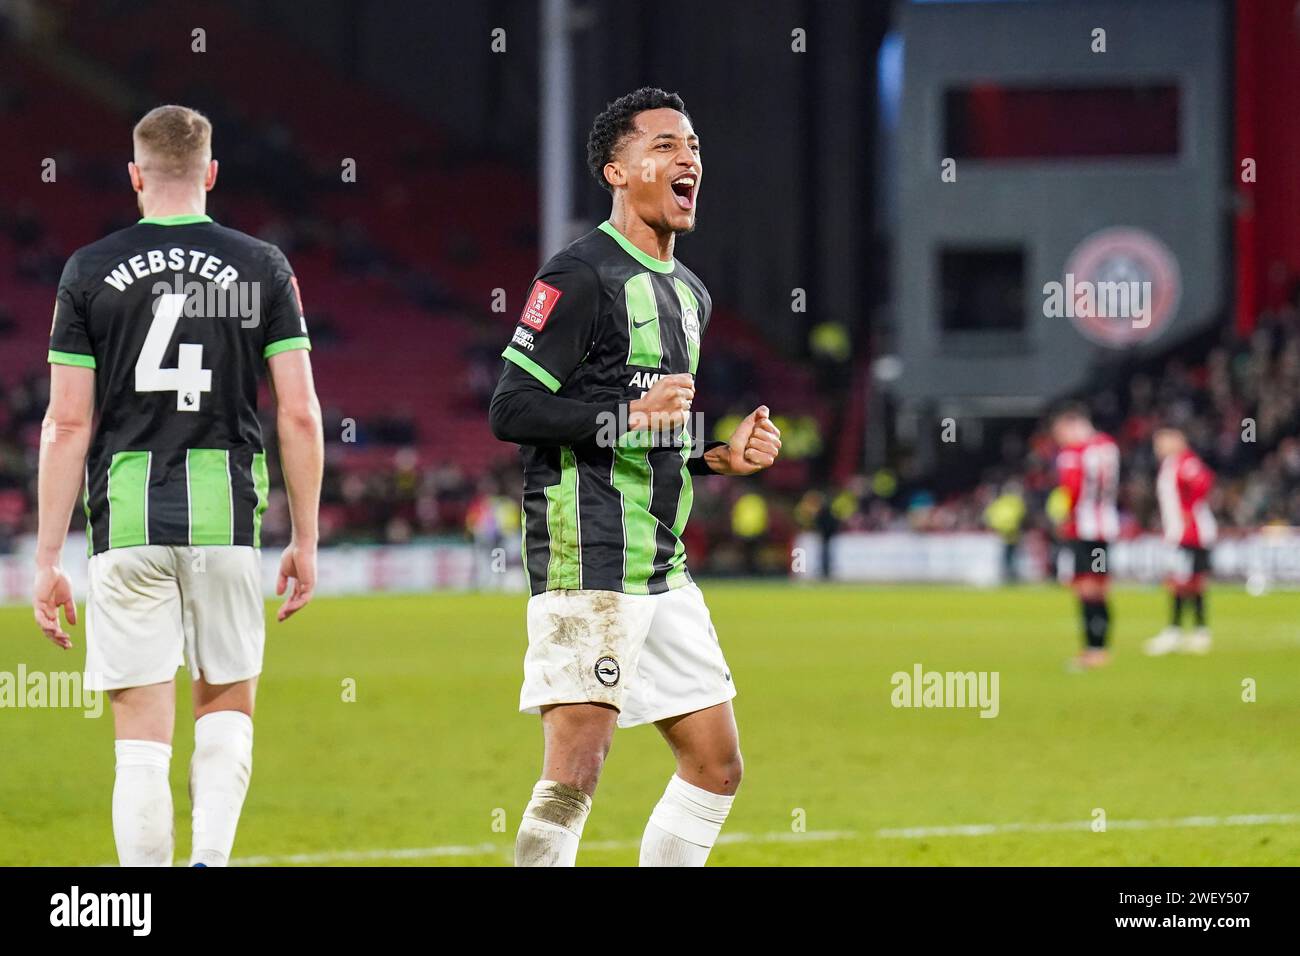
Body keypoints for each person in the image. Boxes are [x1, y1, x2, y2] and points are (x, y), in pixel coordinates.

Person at [489, 88, 782, 867]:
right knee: (574, 773)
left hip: (663, 564)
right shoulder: (579, 273)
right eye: (663, 145)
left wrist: (720, 454)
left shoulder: (691, 295)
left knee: (717, 766)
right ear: (617, 170)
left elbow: (660, 434)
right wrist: (623, 415)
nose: (687, 159)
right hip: (587, 552)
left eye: (692, 148)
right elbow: (511, 407)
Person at [32, 105, 323, 866]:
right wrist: (306, 540)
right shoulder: (262, 265)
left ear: (135, 175)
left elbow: (66, 425)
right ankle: (210, 863)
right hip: (225, 518)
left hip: (125, 525)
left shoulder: (89, 270)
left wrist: (46, 559)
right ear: (211, 173)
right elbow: (299, 412)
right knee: (226, 702)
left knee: (139, 741)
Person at [1050, 404, 1119, 669]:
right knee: (1100, 588)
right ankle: (1101, 649)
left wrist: (1064, 517)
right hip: (1105, 527)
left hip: (1082, 529)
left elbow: (1072, 487)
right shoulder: (1108, 446)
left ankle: (1092, 650)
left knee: (1084, 589)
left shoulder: (1072, 453)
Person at [1144, 427, 1215, 655]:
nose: (1158, 447)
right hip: (1178, 533)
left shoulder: (1185, 462)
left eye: (1162, 441)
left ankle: (1186, 631)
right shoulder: (1171, 464)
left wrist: (1188, 511)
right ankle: (1193, 631)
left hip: (1190, 533)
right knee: (1185, 581)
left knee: (1186, 582)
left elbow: (1203, 482)